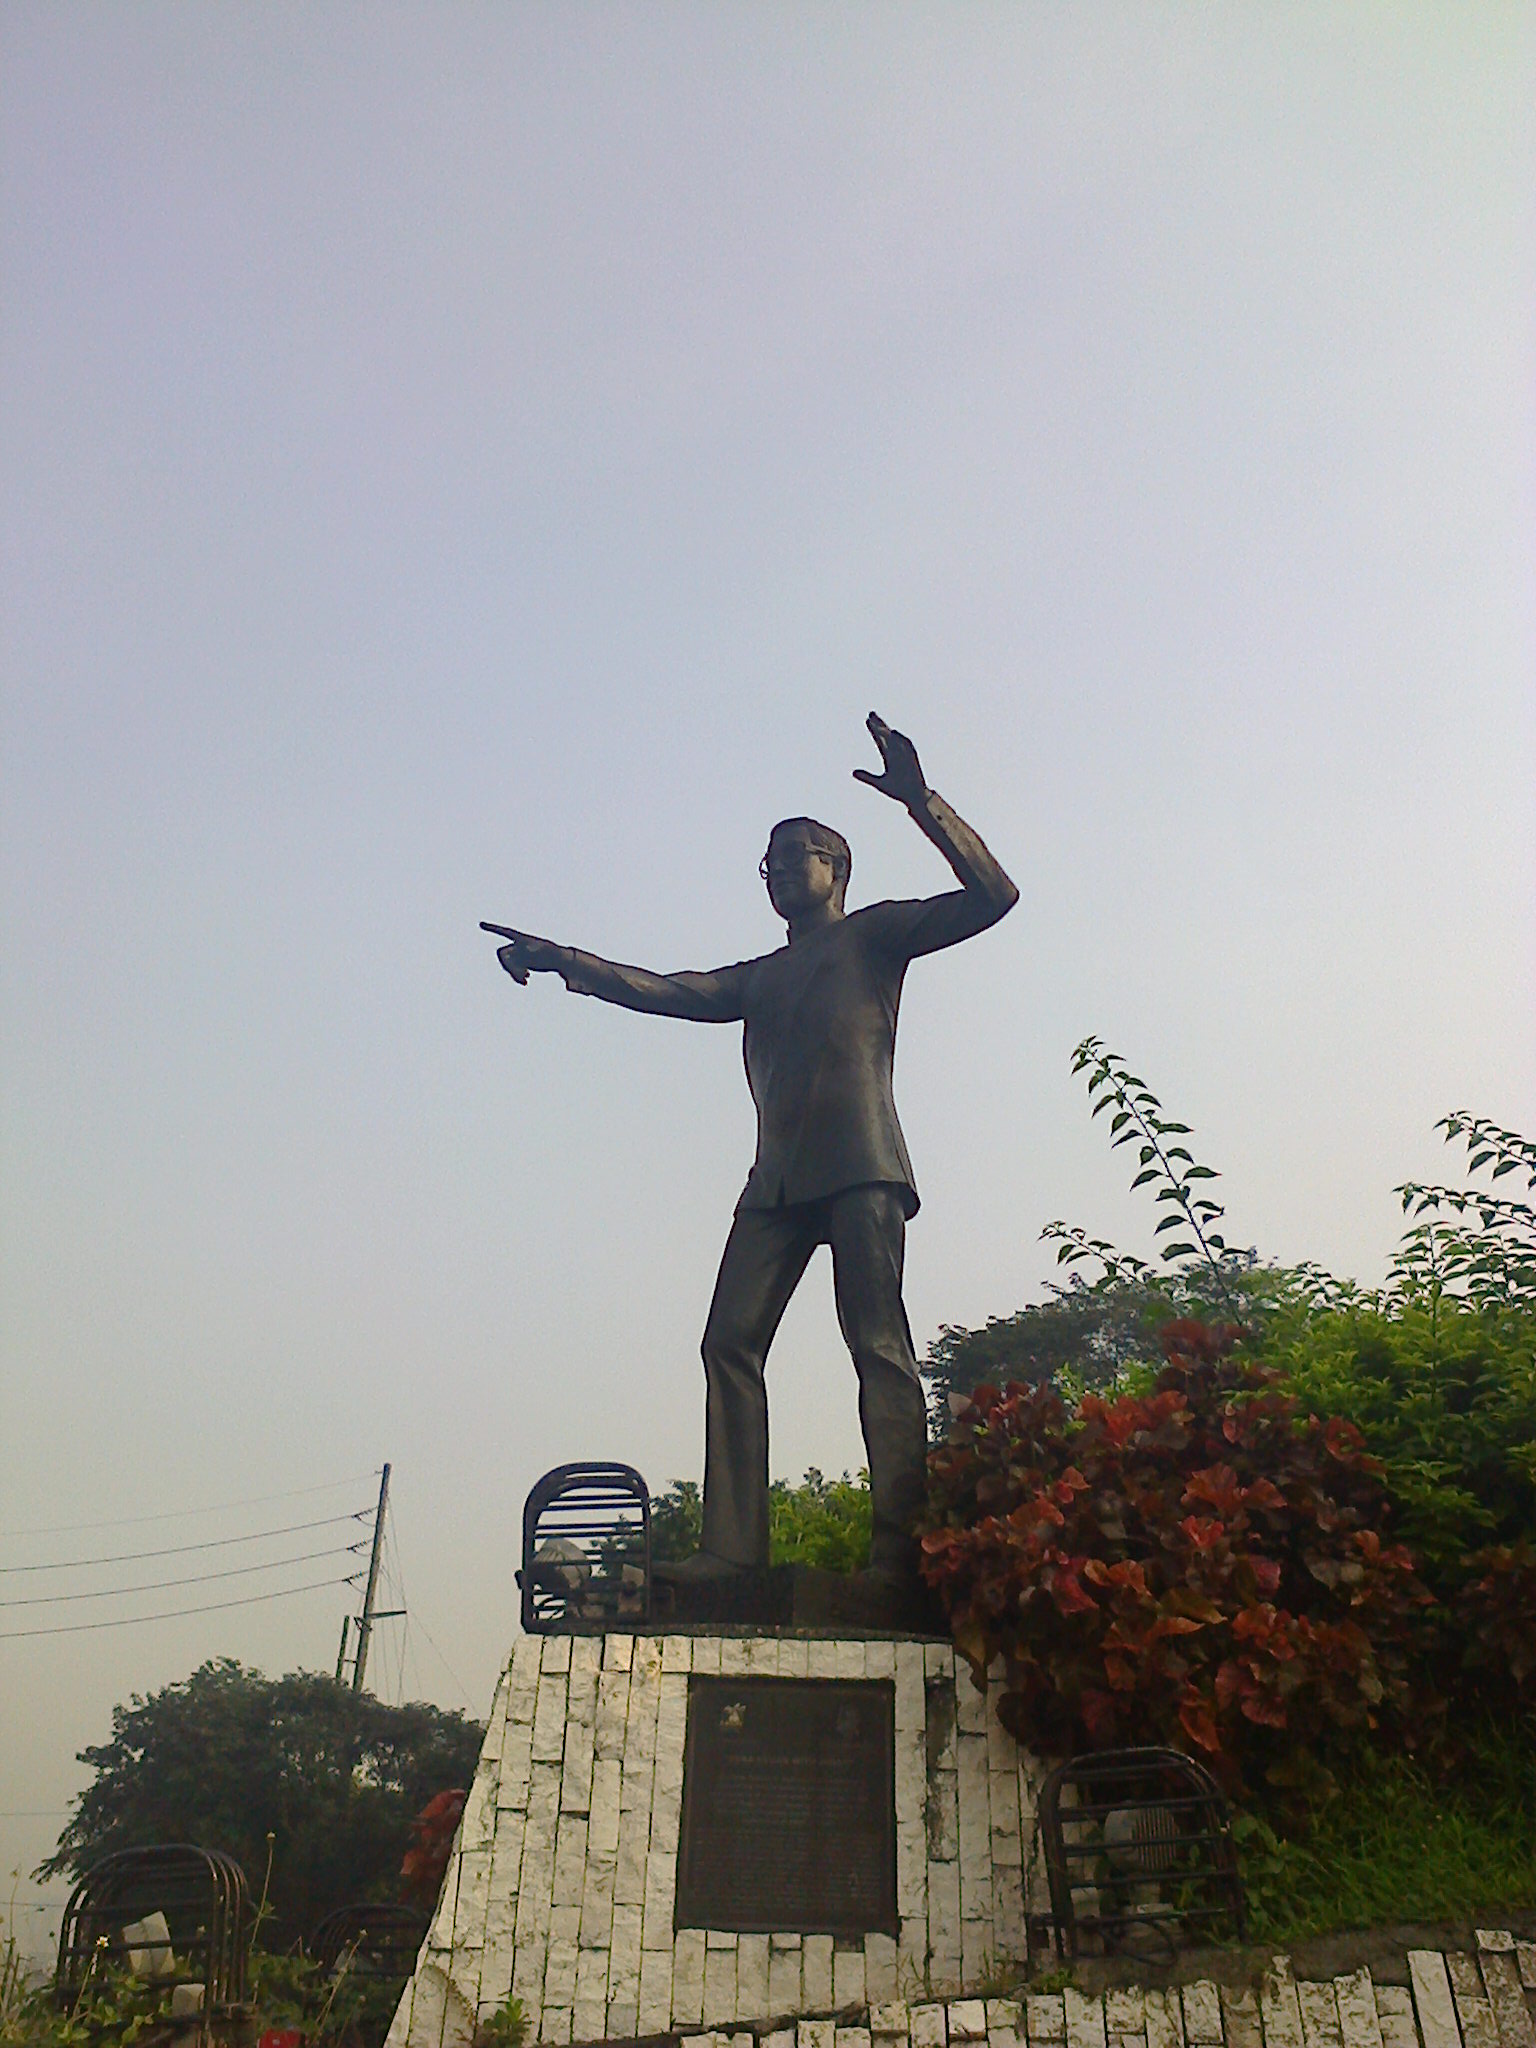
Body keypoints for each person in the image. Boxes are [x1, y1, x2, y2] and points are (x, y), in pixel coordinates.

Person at [486, 713, 1017, 1585]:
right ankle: (732, 1551)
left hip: (862, 1171)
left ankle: (899, 1553)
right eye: (765, 861)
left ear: (835, 870)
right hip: (774, 1185)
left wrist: (924, 802)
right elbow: (666, 989)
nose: (773, 871)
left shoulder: (875, 937)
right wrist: (563, 958)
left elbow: (993, 897)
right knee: (728, 1342)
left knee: (878, 1345)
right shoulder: (762, 978)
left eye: (790, 855)